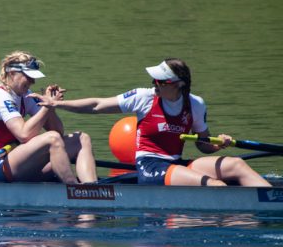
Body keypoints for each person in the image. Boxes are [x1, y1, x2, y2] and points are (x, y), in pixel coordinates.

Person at [31, 58, 271, 187]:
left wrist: (219, 144)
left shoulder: (195, 104)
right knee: (215, 185)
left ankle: (272, 204)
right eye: (153, 79)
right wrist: (57, 105)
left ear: (177, 84)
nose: (154, 83)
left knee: (237, 165)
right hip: (150, 167)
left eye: (160, 81)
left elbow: (203, 144)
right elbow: (97, 105)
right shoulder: (143, 98)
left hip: (177, 164)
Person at [0, 51, 97, 184]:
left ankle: (92, 190)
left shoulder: (26, 95)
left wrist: (51, 104)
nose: (33, 81)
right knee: (52, 138)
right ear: (12, 73)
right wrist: (46, 108)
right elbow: (24, 134)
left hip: (15, 162)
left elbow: (58, 130)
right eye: (28, 76)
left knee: (81, 139)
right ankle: (74, 190)